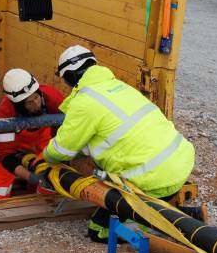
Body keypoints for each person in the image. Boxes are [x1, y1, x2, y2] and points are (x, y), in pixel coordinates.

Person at [43, 45, 198, 242]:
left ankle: (156, 225)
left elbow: (61, 149)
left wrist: (44, 158)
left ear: (70, 77)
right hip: (179, 166)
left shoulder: (84, 103)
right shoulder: (120, 87)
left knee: (98, 230)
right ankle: (183, 217)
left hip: (153, 182)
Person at [0, 68, 64, 200]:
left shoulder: (54, 98)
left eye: (36, 97)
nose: (36, 104)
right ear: (18, 105)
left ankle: (47, 202)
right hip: (16, 140)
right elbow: (6, 156)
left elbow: (64, 133)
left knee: (52, 167)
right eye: (29, 102)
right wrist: (29, 177)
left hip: (44, 134)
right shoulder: (5, 114)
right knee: (0, 179)